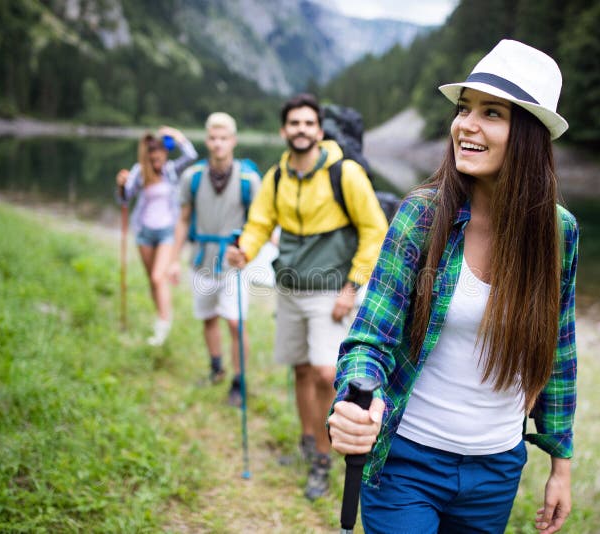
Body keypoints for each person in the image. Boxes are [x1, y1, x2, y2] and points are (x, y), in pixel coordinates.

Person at [327, 39, 578, 534]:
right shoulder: (422, 216)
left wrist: (560, 464)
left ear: (528, 134)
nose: (466, 125)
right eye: (464, 109)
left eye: (491, 113)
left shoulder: (559, 232)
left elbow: (559, 349)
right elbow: (370, 339)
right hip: (407, 461)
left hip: (496, 470)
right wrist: (355, 400)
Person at [226, 94, 388, 500]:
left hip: (331, 292)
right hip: (289, 289)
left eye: (308, 123)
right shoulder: (277, 176)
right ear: (284, 130)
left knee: (324, 373)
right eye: (294, 123)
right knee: (300, 370)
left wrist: (352, 287)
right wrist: (244, 249)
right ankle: (307, 441)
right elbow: (260, 223)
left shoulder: (345, 173)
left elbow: (374, 230)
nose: (301, 130)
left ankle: (322, 457)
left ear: (319, 130)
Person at [168, 112, 261, 407]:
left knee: (235, 323)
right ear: (207, 141)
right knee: (208, 317)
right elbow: (183, 220)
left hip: (234, 263)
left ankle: (239, 382)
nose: (218, 143)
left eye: (223, 138)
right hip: (201, 259)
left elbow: (260, 222)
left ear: (233, 141)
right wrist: (173, 259)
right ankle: (216, 368)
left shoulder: (248, 179)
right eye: (213, 138)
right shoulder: (192, 177)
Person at [116, 126, 197, 346]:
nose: (157, 161)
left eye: (161, 155)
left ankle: (163, 324)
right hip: (144, 233)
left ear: (165, 153)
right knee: (152, 281)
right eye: (153, 157)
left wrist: (176, 135)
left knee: (157, 277)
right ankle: (160, 316)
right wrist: (121, 185)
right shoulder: (140, 172)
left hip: (166, 232)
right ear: (148, 156)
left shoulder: (171, 171)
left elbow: (191, 155)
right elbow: (124, 199)